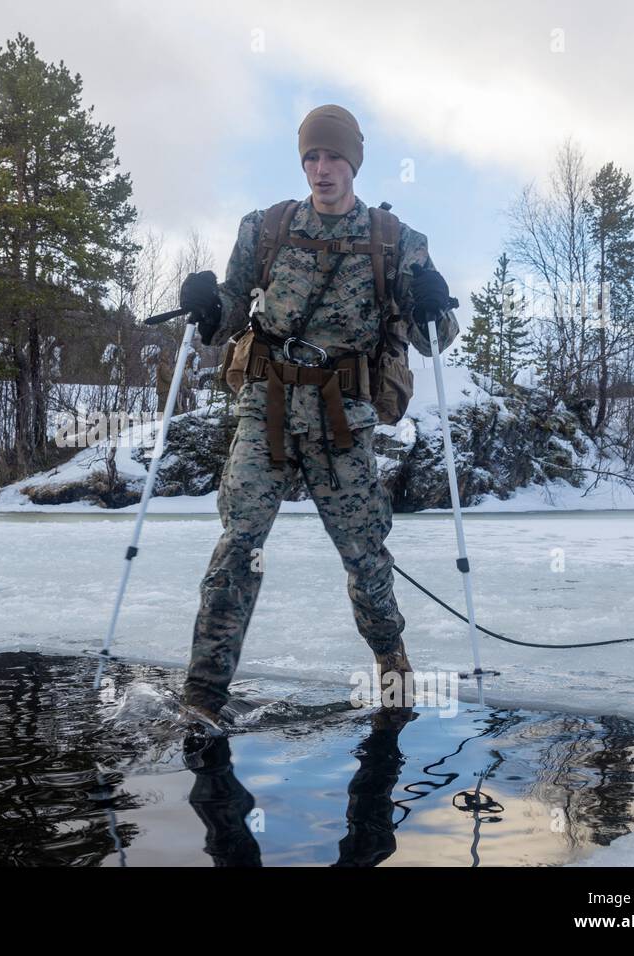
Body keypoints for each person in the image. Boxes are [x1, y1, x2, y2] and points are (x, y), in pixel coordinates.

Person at [178, 104, 460, 724]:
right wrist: (205, 305)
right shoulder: (266, 228)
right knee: (238, 546)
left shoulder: (396, 240)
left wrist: (434, 302)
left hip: (342, 417)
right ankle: (203, 694)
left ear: (353, 162)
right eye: (312, 156)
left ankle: (391, 661)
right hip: (266, 405)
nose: (321, 168)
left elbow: (433, 339)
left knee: (364, 553)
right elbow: (229, 310)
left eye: (333, 156)